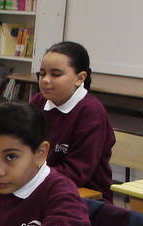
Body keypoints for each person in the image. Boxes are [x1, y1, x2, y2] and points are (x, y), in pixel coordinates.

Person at [29, 41, 115, 201]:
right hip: (40, 184)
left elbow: (76, 173)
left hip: (84, 198)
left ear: (80, 78)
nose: (45, 80)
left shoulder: (91, 113)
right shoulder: (38, 102)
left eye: (55, 74)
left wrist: (26, 174)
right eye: (42, 74)